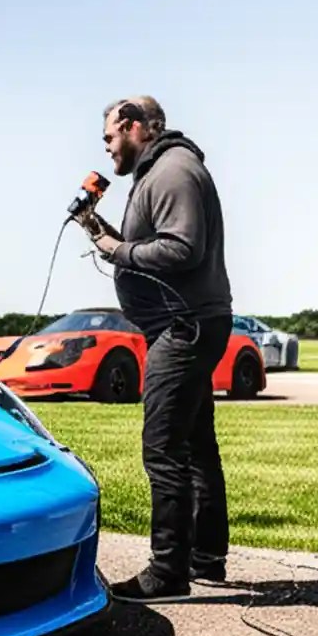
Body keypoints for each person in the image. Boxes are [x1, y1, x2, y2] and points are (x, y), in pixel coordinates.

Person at [74, 96, 234, 603]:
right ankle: (206, 558)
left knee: (163, 448)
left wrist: (116, 250)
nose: (106, 149)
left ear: (134, 126)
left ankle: (167, 573)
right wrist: (105, 234)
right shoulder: (160, 171)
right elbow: (159, 247)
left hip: (182, 328)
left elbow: (183, 248)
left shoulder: (173, 171)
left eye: (109, 137)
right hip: (187, 323)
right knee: (196, 444)